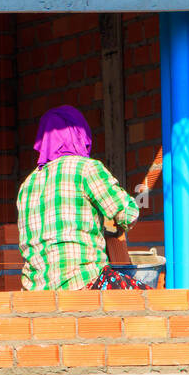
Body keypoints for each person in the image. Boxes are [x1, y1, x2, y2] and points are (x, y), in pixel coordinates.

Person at [17, 105, 145, 291]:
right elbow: (128, 213)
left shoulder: (26, 185)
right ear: (79, 134)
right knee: (149, 303)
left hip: (36, 292)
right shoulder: (85, 169)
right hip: (83, 283)